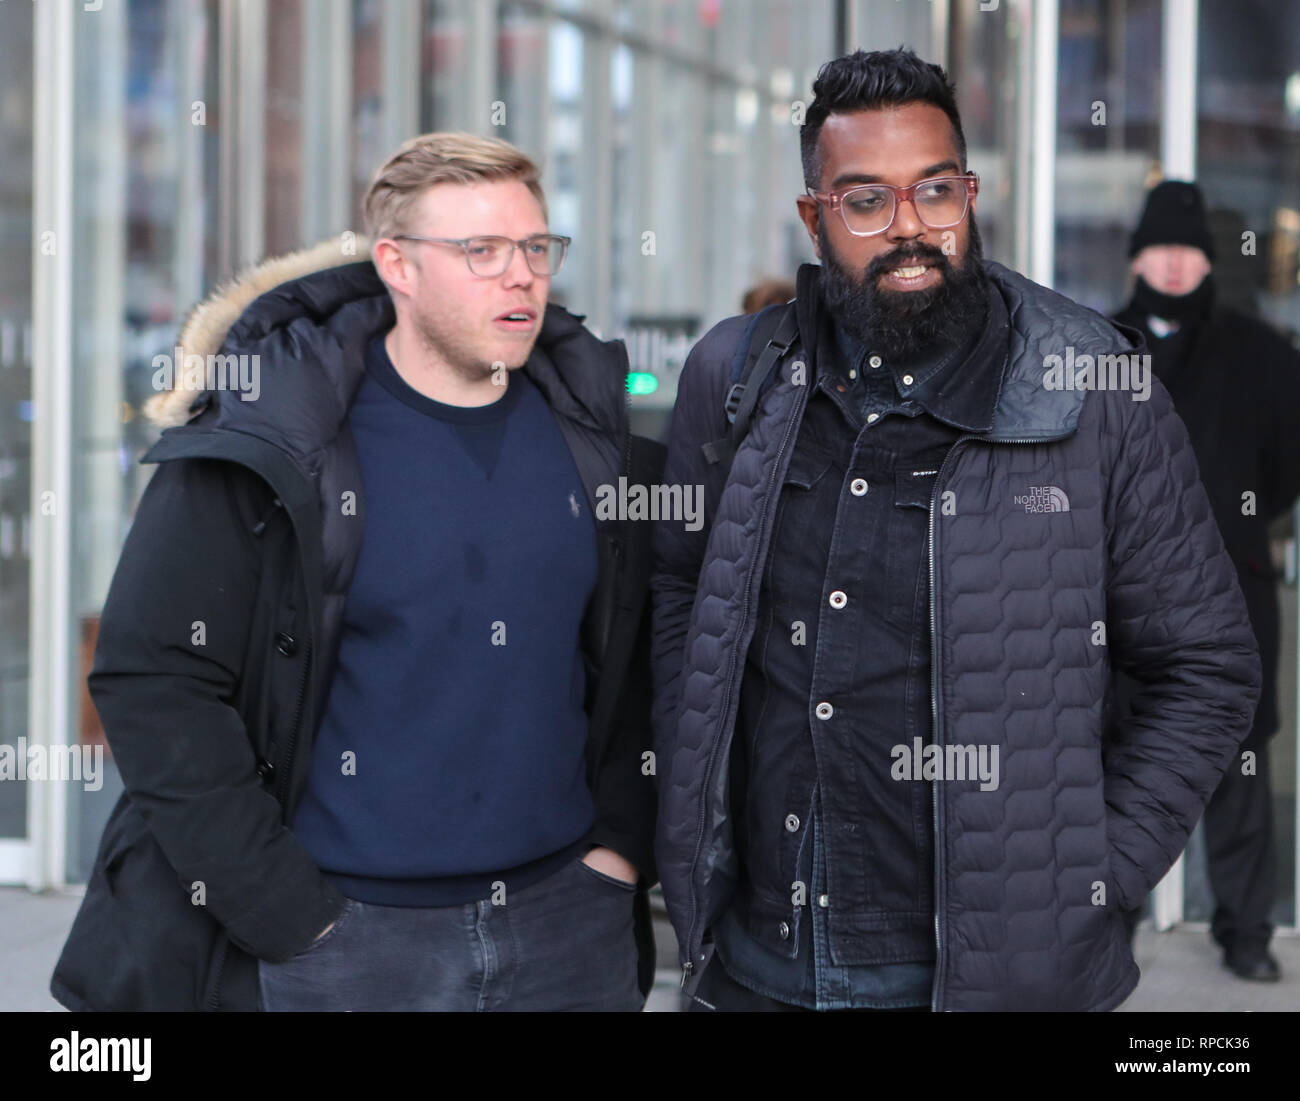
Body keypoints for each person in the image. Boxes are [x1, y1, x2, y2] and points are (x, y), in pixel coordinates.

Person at [650, 49, 1261, 1012]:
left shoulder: (1093, 386)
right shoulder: (734, 375)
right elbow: (685, 592)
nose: (910, 230)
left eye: (936, 190)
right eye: (865, 202)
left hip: (981, 982)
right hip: (754, 965)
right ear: (814, 220)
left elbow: (1208, 665)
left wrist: (1088, 875)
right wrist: (685, 807)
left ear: (970, 194)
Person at [51, 132, 659, 1012]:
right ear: (396, 266)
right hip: (347, 942)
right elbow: (153, 676)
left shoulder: (589, 434)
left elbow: (641, 653)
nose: (521, 274)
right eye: (480, 250)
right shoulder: (272, 442)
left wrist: (617, 852)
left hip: (565, 925)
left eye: (535, 247)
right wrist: (285, 910)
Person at [1113, 180, 1300, 982]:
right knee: (1116, 766)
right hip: (1118, 603)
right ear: (1136, 256)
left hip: (1233, 592)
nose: (1176, 263)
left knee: (1239, 765)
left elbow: (1289, 467)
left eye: (1189, 249)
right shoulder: (1099, 345)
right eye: (1161, 246)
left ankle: (1247, 929)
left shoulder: (1259, 352)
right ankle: (1105, 929)